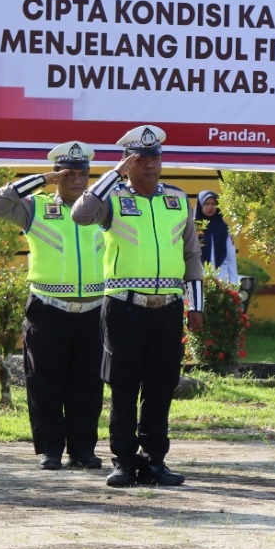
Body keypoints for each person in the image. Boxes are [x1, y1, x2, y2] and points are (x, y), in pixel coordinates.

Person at [72, 125, 204, 488]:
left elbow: (191, 255)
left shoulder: (177, 199)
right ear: (127, 163)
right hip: (124, 308)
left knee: (161, 387)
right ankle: (124, 461)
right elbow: (80, 214)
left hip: (168, 308)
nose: (149, 164)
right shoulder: (111, 199)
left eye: (154, 157)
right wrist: (112, 173)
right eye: (140, 159)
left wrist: (196, 304)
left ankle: (154, 461)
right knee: (125, 387)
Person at [0, 141, 107, 471]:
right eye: (68, 174)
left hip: (93, 309)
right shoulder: (35, 207)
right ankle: (50, 449)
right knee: (45, 382)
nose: (77, 180)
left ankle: (83, 449)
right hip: (48, 308)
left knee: (88, 384)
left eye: (83, 173)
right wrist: (41, 179)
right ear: (57, 175)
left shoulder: (101, 210)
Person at [195, 191, 240, 284]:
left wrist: (234, 284)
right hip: (199, 277)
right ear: (200, 205)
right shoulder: (193, 228)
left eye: (213, 204)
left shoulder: (224, 228)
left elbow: (231, 258)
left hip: (222, 278)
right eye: (206, 204)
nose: (210, 207)